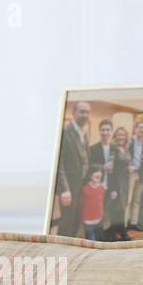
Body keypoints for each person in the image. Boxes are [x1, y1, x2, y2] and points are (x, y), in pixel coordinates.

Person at [56, 101, 91, 237]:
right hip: (69, 187)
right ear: (73, 113)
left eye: (87, 112)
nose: (85, 115)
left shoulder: (84, 133)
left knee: (76, 221)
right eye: (82, 111)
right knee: (66, 223)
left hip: (81, 185)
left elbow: (85, 159)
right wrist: (64, 189)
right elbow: (60, 162)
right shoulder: (65, 132)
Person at [80, 166, 108, 241]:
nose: (98, 173)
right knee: (91, 240)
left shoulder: (102, 188)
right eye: (96, 171)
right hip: (88, 221)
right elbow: (81, 203)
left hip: (99, 219)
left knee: (99, 238)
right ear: (90, 176)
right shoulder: (85, 188)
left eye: (100, 172)